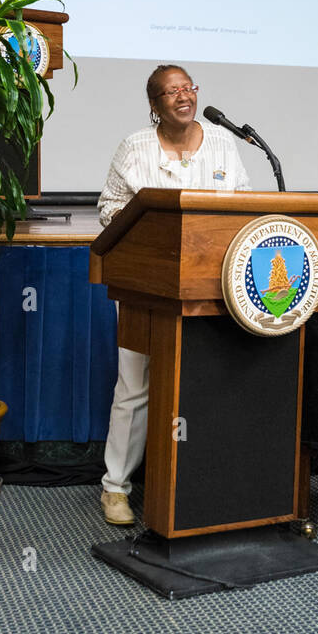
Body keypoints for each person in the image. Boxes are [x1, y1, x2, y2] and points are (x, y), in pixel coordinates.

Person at [98, 64, 252, 524]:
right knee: (134, 386)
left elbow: (245, 206)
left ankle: (206, 480)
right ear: (154, 104)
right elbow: (109, 208)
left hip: (214, 286)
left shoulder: (224, 143)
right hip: (146, 285)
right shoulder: (135, 147)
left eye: (188, 88)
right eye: (171, 92)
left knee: (211, 384)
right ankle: (115, 488)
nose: (183, 96)